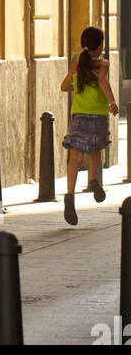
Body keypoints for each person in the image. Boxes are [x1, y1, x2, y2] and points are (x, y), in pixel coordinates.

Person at [60, 25, 119, 225]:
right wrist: (112, 101)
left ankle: (69, 196)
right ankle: (93, 180)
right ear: (100, 45)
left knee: (74, 158)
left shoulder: (78, 63)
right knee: (95, 150)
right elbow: (103, 82)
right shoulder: (103, 64)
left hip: (78, 115)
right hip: (97, 114)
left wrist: (76, 86)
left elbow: (64, 85)